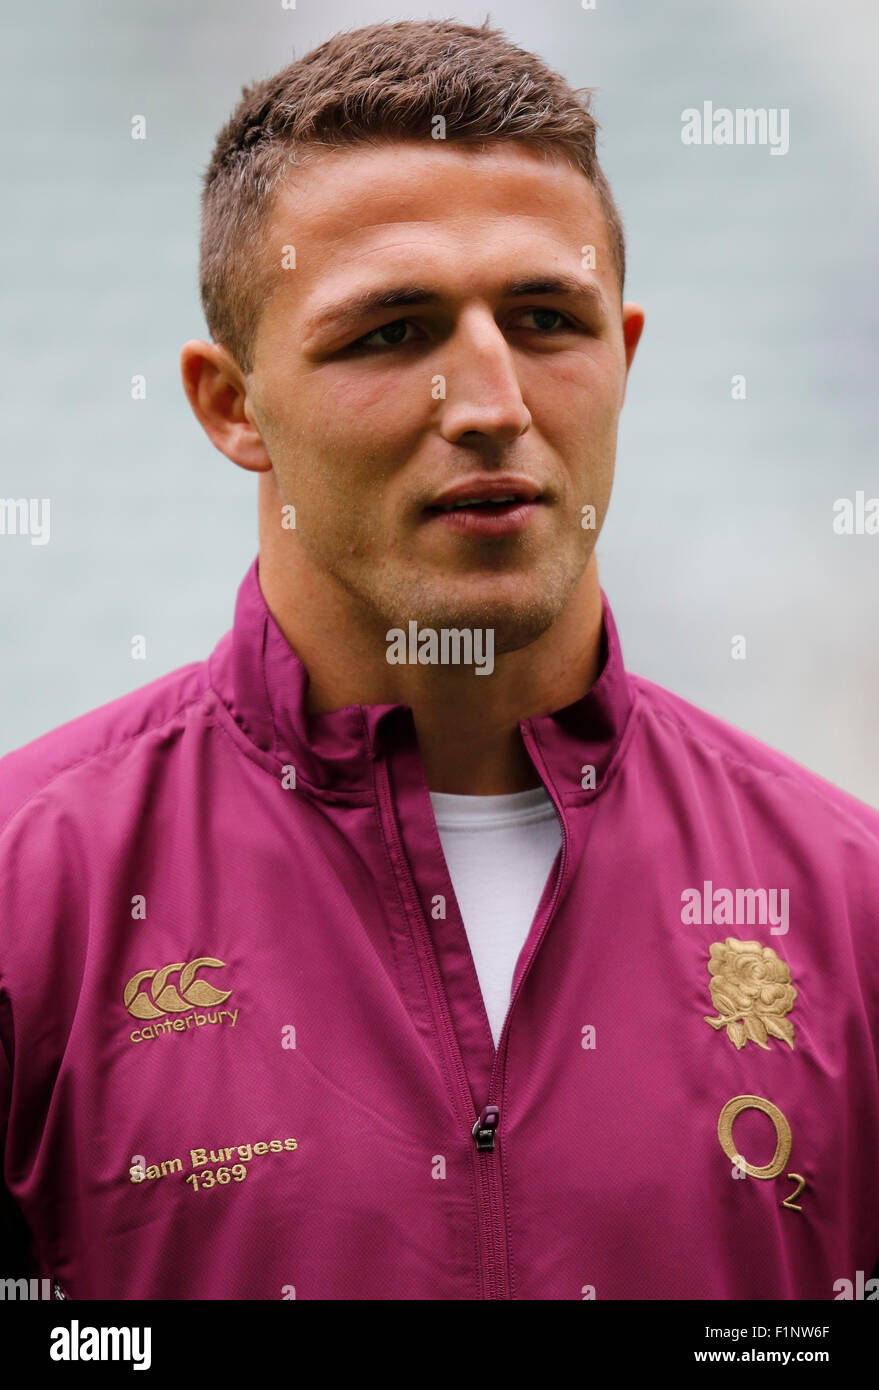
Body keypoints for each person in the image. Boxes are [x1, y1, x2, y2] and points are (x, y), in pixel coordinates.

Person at [1, 18, 877, 1301]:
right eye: (391, 332)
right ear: (231, 405)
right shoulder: (32, 907)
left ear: (624, 357)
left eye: (543, 318)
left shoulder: (849, 913)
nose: (490, 403)